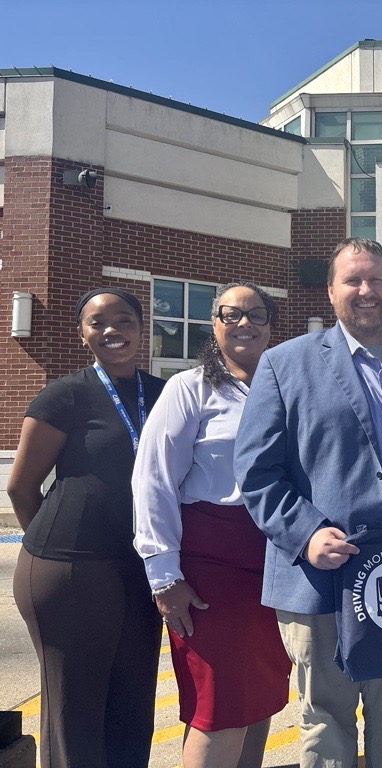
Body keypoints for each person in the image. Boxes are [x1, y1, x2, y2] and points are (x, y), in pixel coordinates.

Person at [234, 237, 382, 768]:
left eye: (376, 280)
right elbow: (256, 471)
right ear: (331, 291)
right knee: (325, 718)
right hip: (322, 577)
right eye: (353, 280)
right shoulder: (284, 365)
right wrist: (305, 532)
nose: (366, 291)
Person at [132, 282, 291, 768]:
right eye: (232, 314)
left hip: (277, 560)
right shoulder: (189, 388)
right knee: (217, 705)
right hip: (211, 566)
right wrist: (164, 575)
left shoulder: (287, 384)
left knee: (261, 695)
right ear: (214, 323)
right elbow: (153, 479)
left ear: (270, 324)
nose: (245, 323)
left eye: (257, 314)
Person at [8, 288, 165, 767]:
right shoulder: (65, 395)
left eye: (124, 320)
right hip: (69, 570)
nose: (112, 330)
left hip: (141, 570)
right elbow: (21, 488)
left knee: (133, 703)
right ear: (82, 334)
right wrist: (58, 552)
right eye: (98, 323)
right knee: (74, 707)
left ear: (143, 330)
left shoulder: (162, 395)